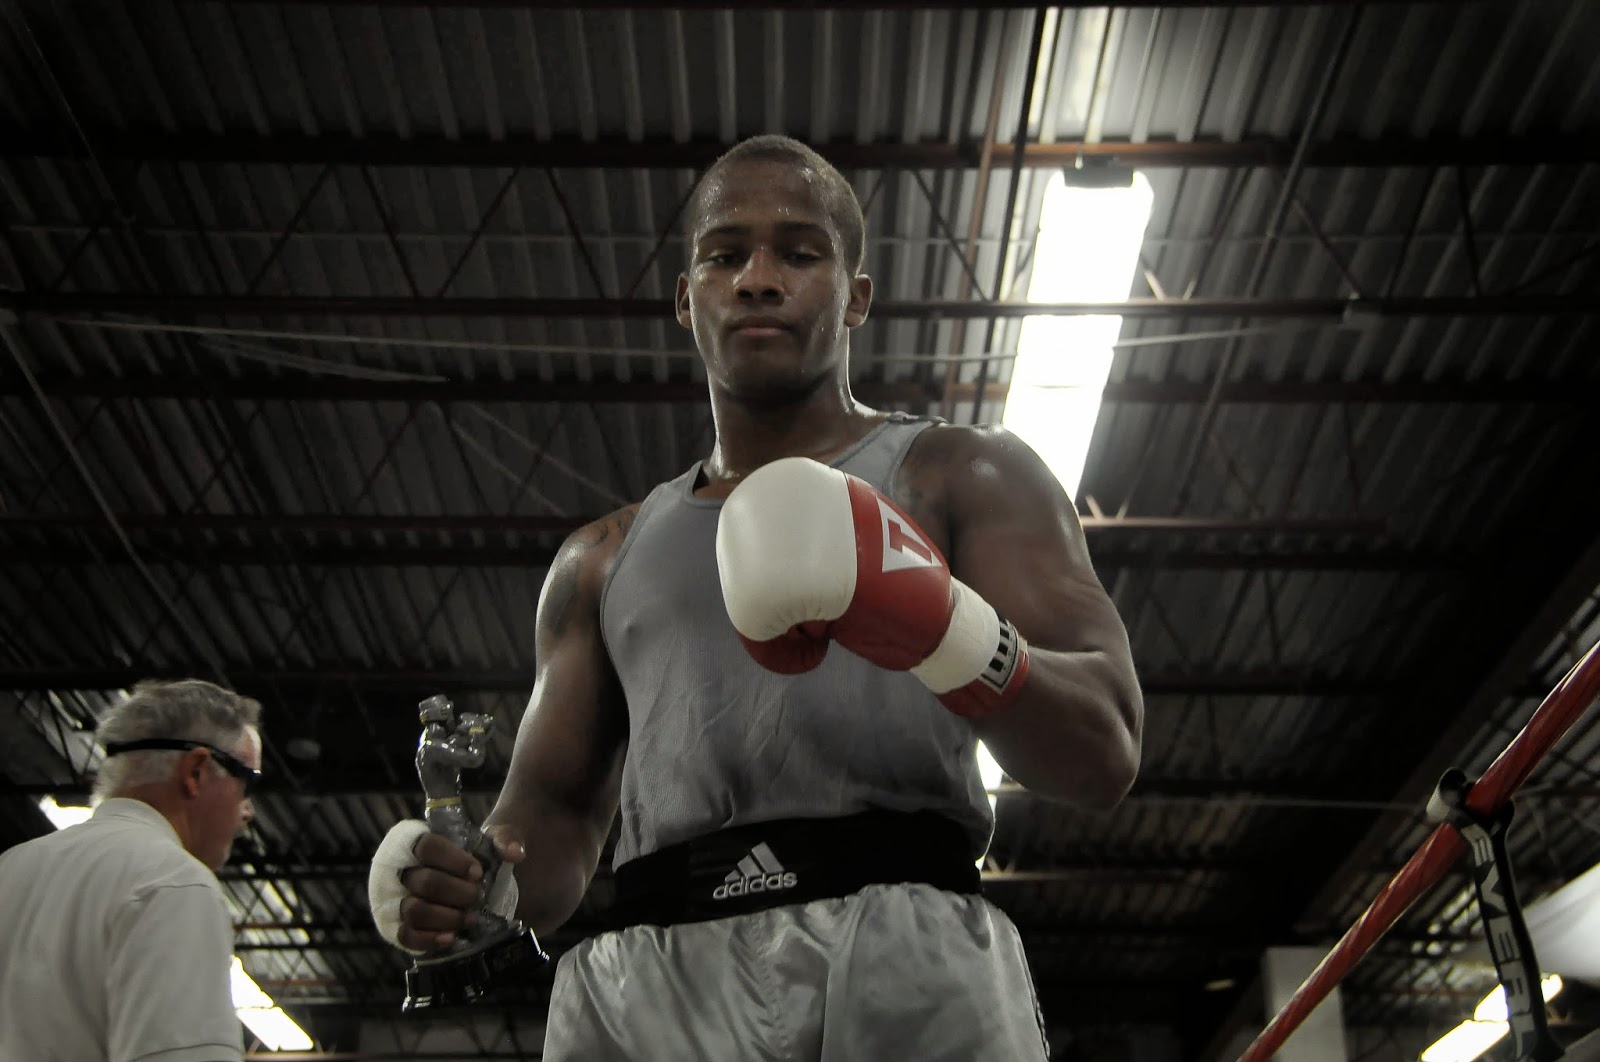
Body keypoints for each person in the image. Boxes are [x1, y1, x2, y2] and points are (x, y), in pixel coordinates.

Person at [368, 134, 1143, 1060]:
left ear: (857, 295)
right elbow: (554, 820)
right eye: (725, 255)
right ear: (685, 298)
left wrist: (945, 626)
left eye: (800, 253)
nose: (758, 280)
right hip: (653, 981)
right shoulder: (600, 560)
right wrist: (468, 880)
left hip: (905, 954)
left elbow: (1105, 748)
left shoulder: (964, 475)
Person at [0, 679, 262, 1062]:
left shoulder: (10, 869)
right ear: (196, 771)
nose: (247, 810)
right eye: (247, 782)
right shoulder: (174, 882)